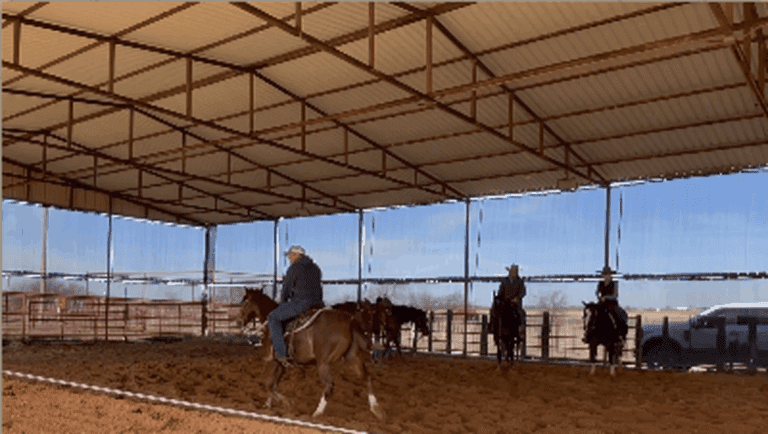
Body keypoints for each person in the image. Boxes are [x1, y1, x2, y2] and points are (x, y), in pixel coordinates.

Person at [267, 245, 324, 367]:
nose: (289, 258)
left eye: (290, 255)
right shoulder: (316, 268)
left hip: (301, 303)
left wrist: (282, 303)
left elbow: (286, 288)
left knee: (273, 317)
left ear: (297, 255)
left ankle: (281, 354)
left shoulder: (294, 268)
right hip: (318, 304)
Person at [590, 266, 628, 342]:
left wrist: (606, 297)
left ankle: (620, 335)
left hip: (612, 303)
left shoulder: (614, 283)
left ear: (610, 275)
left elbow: (615, 295)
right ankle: (589, 334)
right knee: (592, 314)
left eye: (607, 274)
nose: (605, 276)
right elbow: (597, 292)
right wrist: (599, 296)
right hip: (601, 303)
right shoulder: (600, 283)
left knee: (619, 315)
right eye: (604, 274)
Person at [496, 264, 526, 335]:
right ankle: (496, 329)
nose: (513, 273)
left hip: (515, 304)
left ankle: (521, 329)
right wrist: (501, 299)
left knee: (521, 314)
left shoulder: (520, 281)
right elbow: (500, 292)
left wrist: (517, 298)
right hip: (505, 303)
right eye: (512, 271)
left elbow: (523, 292)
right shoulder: (504, 281)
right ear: (509, 272)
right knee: (497, 313)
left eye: (515, 271)